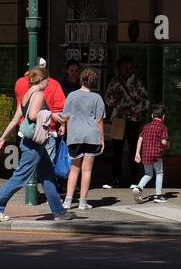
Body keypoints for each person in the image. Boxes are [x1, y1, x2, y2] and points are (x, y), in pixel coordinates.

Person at [0, 68, 71, 222]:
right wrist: (50, 115)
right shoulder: (38, 94)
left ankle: (59, 212)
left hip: (31, 142)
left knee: (48, 176)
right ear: (43, 80)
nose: (48, 84)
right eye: (48, 81)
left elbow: (15, 120)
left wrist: (3, 138)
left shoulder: (26, 95)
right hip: (33, 144)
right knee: (20, 177)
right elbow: (33, 116)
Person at [61, 67, 105, 210]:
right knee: (87, 170)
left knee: (74, 169)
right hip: (92, 136)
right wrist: (102, 139)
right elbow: (99, 120)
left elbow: (65, 116)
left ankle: (67, 201)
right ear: (93, 82)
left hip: (75, 136)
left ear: (81, 79)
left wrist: (63, 126)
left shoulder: (71, 96)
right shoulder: (97, 98)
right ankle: (82, 201)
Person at [105, 57, 149, 186]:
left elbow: (145, 102)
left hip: (133, 120)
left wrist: (130, 110)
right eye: (124, 67)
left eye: (129, 67)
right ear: (119, 68)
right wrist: (115, 98)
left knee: (133, 148)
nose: (127, 70)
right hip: (118, 119)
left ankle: (134, 179)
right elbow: (108, 100)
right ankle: (116, 178)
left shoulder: (137, 82)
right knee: (116, 150)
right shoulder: (114, 82)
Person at [132, 104, 170, 202]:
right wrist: (167, 144)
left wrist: (137, 153)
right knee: (159, 173)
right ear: (164, 116)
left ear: (152, 116)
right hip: (157, 154)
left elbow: (140, 139)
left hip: (145, 154)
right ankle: (158, 195)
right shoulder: (163, 127)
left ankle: (139, 187)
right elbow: (163, 142)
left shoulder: (146, 126)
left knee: (148, 173)